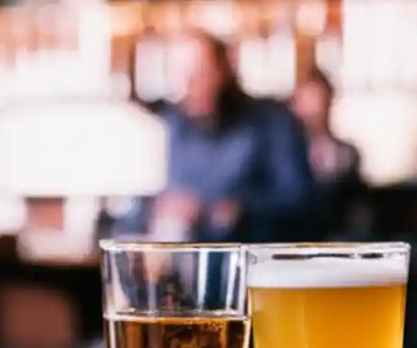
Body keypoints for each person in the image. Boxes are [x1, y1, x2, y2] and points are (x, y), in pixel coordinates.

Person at [141, 31, 316, 243]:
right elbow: (171, 195)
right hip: (194, 262)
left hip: (261, 262)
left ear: (224, 70)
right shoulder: (177, 125)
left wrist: (234, 210)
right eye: (183, 77)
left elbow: (301, 202)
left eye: (201, 74)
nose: (191, 86)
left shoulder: (272, 121)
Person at [288, 69, 366, 239]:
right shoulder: (283, 156)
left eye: (320, 100)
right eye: (308, 100)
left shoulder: (348, 153)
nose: (315, 109)